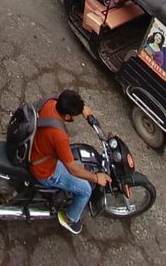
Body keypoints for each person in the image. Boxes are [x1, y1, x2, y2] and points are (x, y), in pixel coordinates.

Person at [29, 90, 110, 236]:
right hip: (44, 171)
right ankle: (70, 218)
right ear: (67, 116)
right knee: (85, 190)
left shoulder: (50, 102)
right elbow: (73, 169)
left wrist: (82, 109)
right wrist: (97, 178)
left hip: (36, 148)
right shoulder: (60, 136)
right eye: (74, 116)